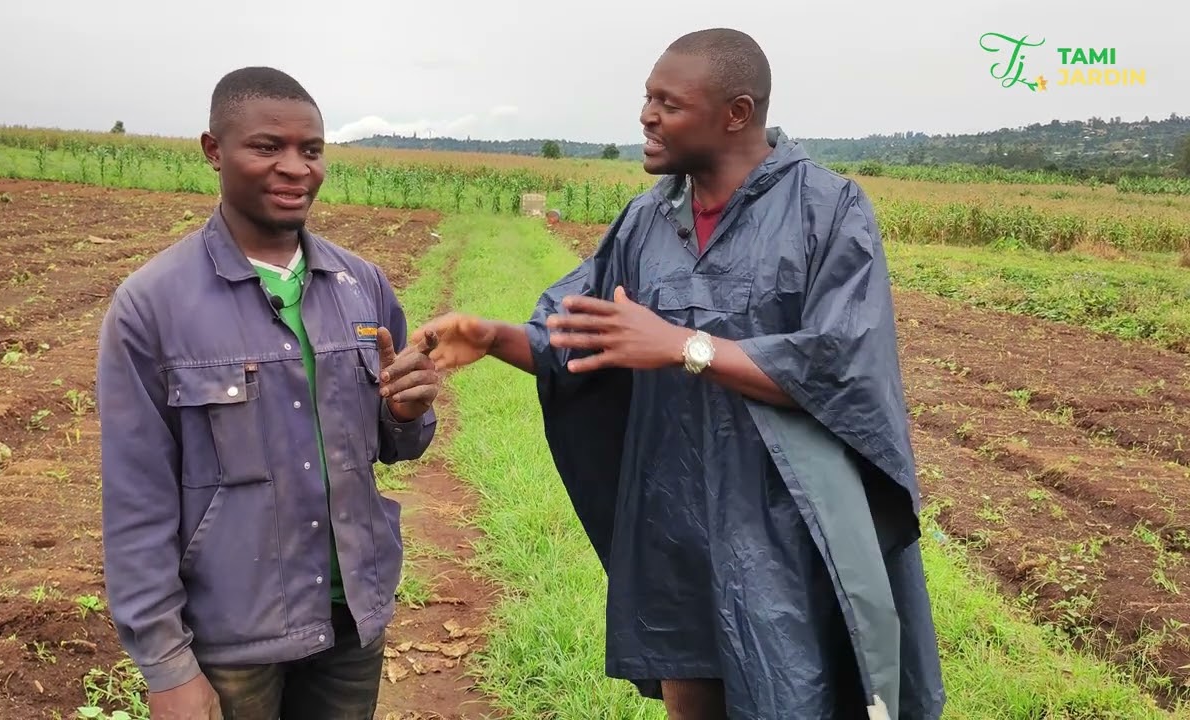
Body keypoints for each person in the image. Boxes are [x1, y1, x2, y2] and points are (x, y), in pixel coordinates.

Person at [413, 29, 946, 720]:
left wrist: (684, 346)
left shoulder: (827, 211)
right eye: (646, 98)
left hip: (783, 526)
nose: (647, 116)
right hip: (672, 517)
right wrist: (491, 337)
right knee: (689, 690)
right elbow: (578, 338)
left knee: (793, 688)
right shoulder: (648, 220)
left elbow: (841, 366)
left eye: (669, 102)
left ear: (736, 113)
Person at [96, 66, 440, 720]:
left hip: (349, 619)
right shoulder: (153, 306)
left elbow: (398, 442)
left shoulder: (360, 285)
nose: (294, 168)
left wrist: (404, 413)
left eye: (310, 151)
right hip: (232, 634)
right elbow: (135, 498)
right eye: (266, 147)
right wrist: (166, 666)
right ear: (213, 150)